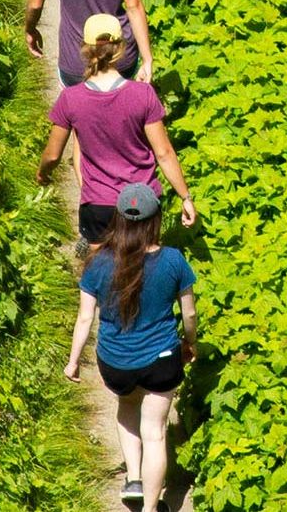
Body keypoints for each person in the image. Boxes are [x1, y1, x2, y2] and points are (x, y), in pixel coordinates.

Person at [65, 183, 198, 512]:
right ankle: (152, 508)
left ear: (118, 219)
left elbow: (84, 319)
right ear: (156, 220)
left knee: (127, 409)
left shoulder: (97, 263)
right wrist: (189, 343)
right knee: (155, 432)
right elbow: (189, 313)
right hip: (162, 359)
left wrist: (73, 362)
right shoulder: (173, 260)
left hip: (116, 362)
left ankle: (134, 478)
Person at [38, 15, 198, 244]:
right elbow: (164, 153)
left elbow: (53, 155)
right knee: (142, 272)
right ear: (120, 49)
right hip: (141, 201)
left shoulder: (70, 99)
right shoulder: (143, 95)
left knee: (99, 275)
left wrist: (42, 173)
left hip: (98, 204)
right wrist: (186, 197)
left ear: (84, 49)